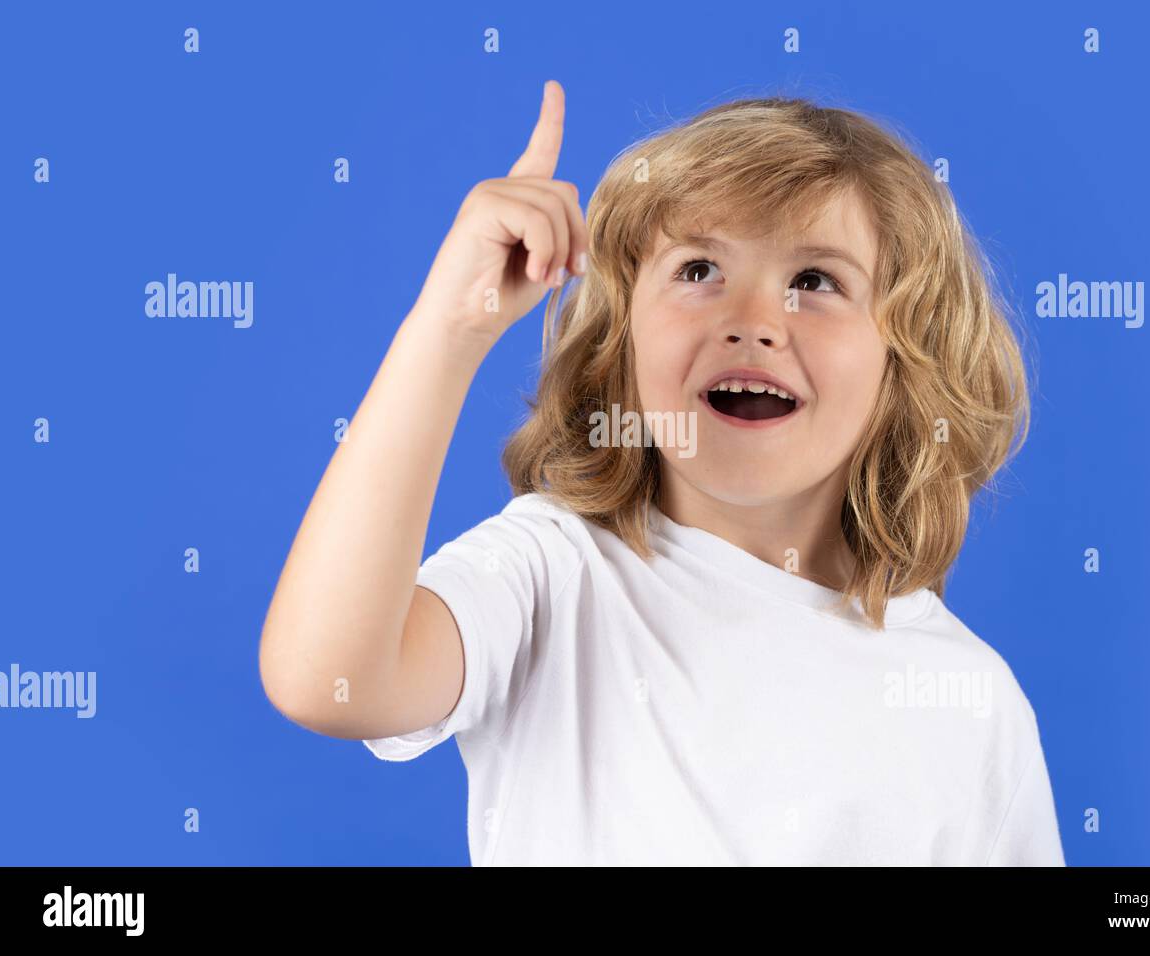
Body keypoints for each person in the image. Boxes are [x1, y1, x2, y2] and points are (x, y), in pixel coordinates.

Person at [258, 80, 1065, 867]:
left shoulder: (970, 699)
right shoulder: (553, 573)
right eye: (699, 271)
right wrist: (451, 326)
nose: (751, 323)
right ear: (622, 338)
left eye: (814, 282)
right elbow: (325, 678)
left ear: (904, 364)